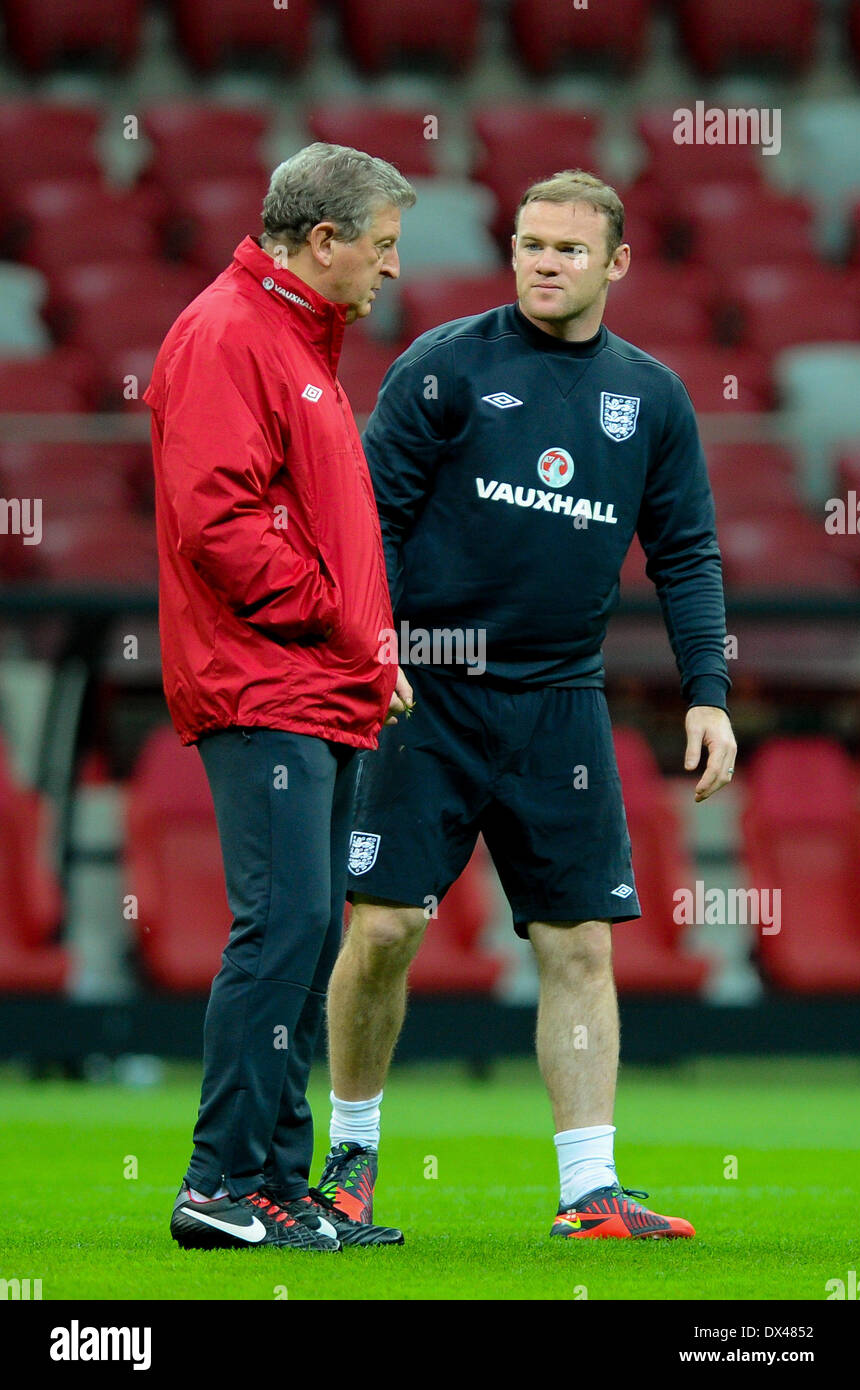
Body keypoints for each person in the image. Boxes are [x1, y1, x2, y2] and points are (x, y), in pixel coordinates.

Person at [317, 169, 737, 1241]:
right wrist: (377, 654)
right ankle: (352, 1155)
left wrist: (709, 694)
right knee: (386, 927)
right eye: (530, 243)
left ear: (617, 263)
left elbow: (685, 553)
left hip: (560, 702)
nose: (545, 262)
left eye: (569, 249)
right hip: (431, 688)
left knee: (580, 944)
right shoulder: (444, 367)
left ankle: (588, 1189)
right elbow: (372, 526)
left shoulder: (651, 397)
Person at [144, 143, 416, 1252]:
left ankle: (276, 1181)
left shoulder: (292, 336)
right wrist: (354, 629)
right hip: (261, 679)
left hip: (313, 680)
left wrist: (362, 652)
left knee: (306, 937)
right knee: (287, 923)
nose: (392, 270)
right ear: (323, 242)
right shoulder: (228, 335)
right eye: (383, 246)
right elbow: (224, 528)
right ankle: (218, 1180)